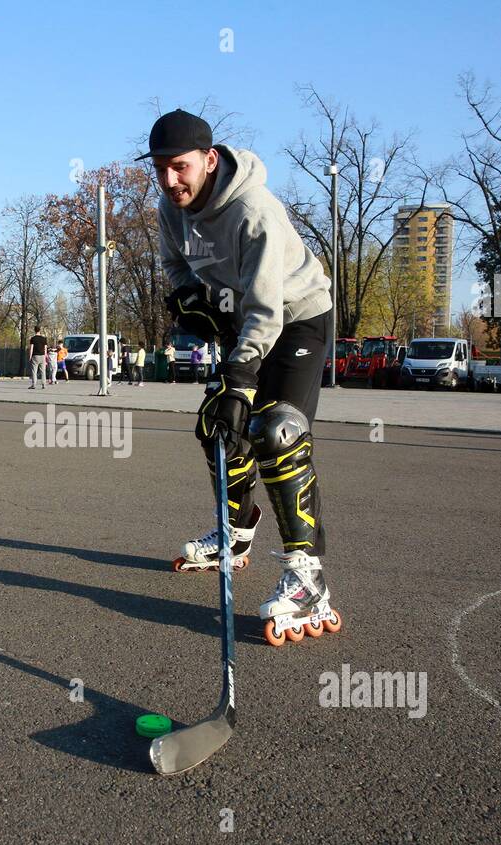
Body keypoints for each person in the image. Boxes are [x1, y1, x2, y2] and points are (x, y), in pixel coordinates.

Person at [147, 109, 340, 642]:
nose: (170, 181)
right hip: (244, 319)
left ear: (209, 160)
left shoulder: (253, 211)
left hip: (297, 318)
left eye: (180, 167)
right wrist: (189, 298)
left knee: (276, 430)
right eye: (160, 168)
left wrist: (241, 378)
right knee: (221, 429)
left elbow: (266, 308)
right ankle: (235, 533)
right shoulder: (171, 206)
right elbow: (176, 268)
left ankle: (308, 578)